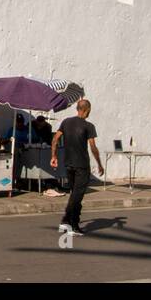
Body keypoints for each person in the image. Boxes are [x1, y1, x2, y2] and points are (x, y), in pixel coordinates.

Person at [51, 99, 103, 235]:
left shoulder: (66, 122)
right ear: (87, 109)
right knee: (77, 196)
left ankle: (67, 221)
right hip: (82, 166)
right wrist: (99, 164)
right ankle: (71, 224)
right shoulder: (89, 126)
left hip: (68, 164)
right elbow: (93, 147)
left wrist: (54, 156)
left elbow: (55, 139)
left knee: (75, 194)